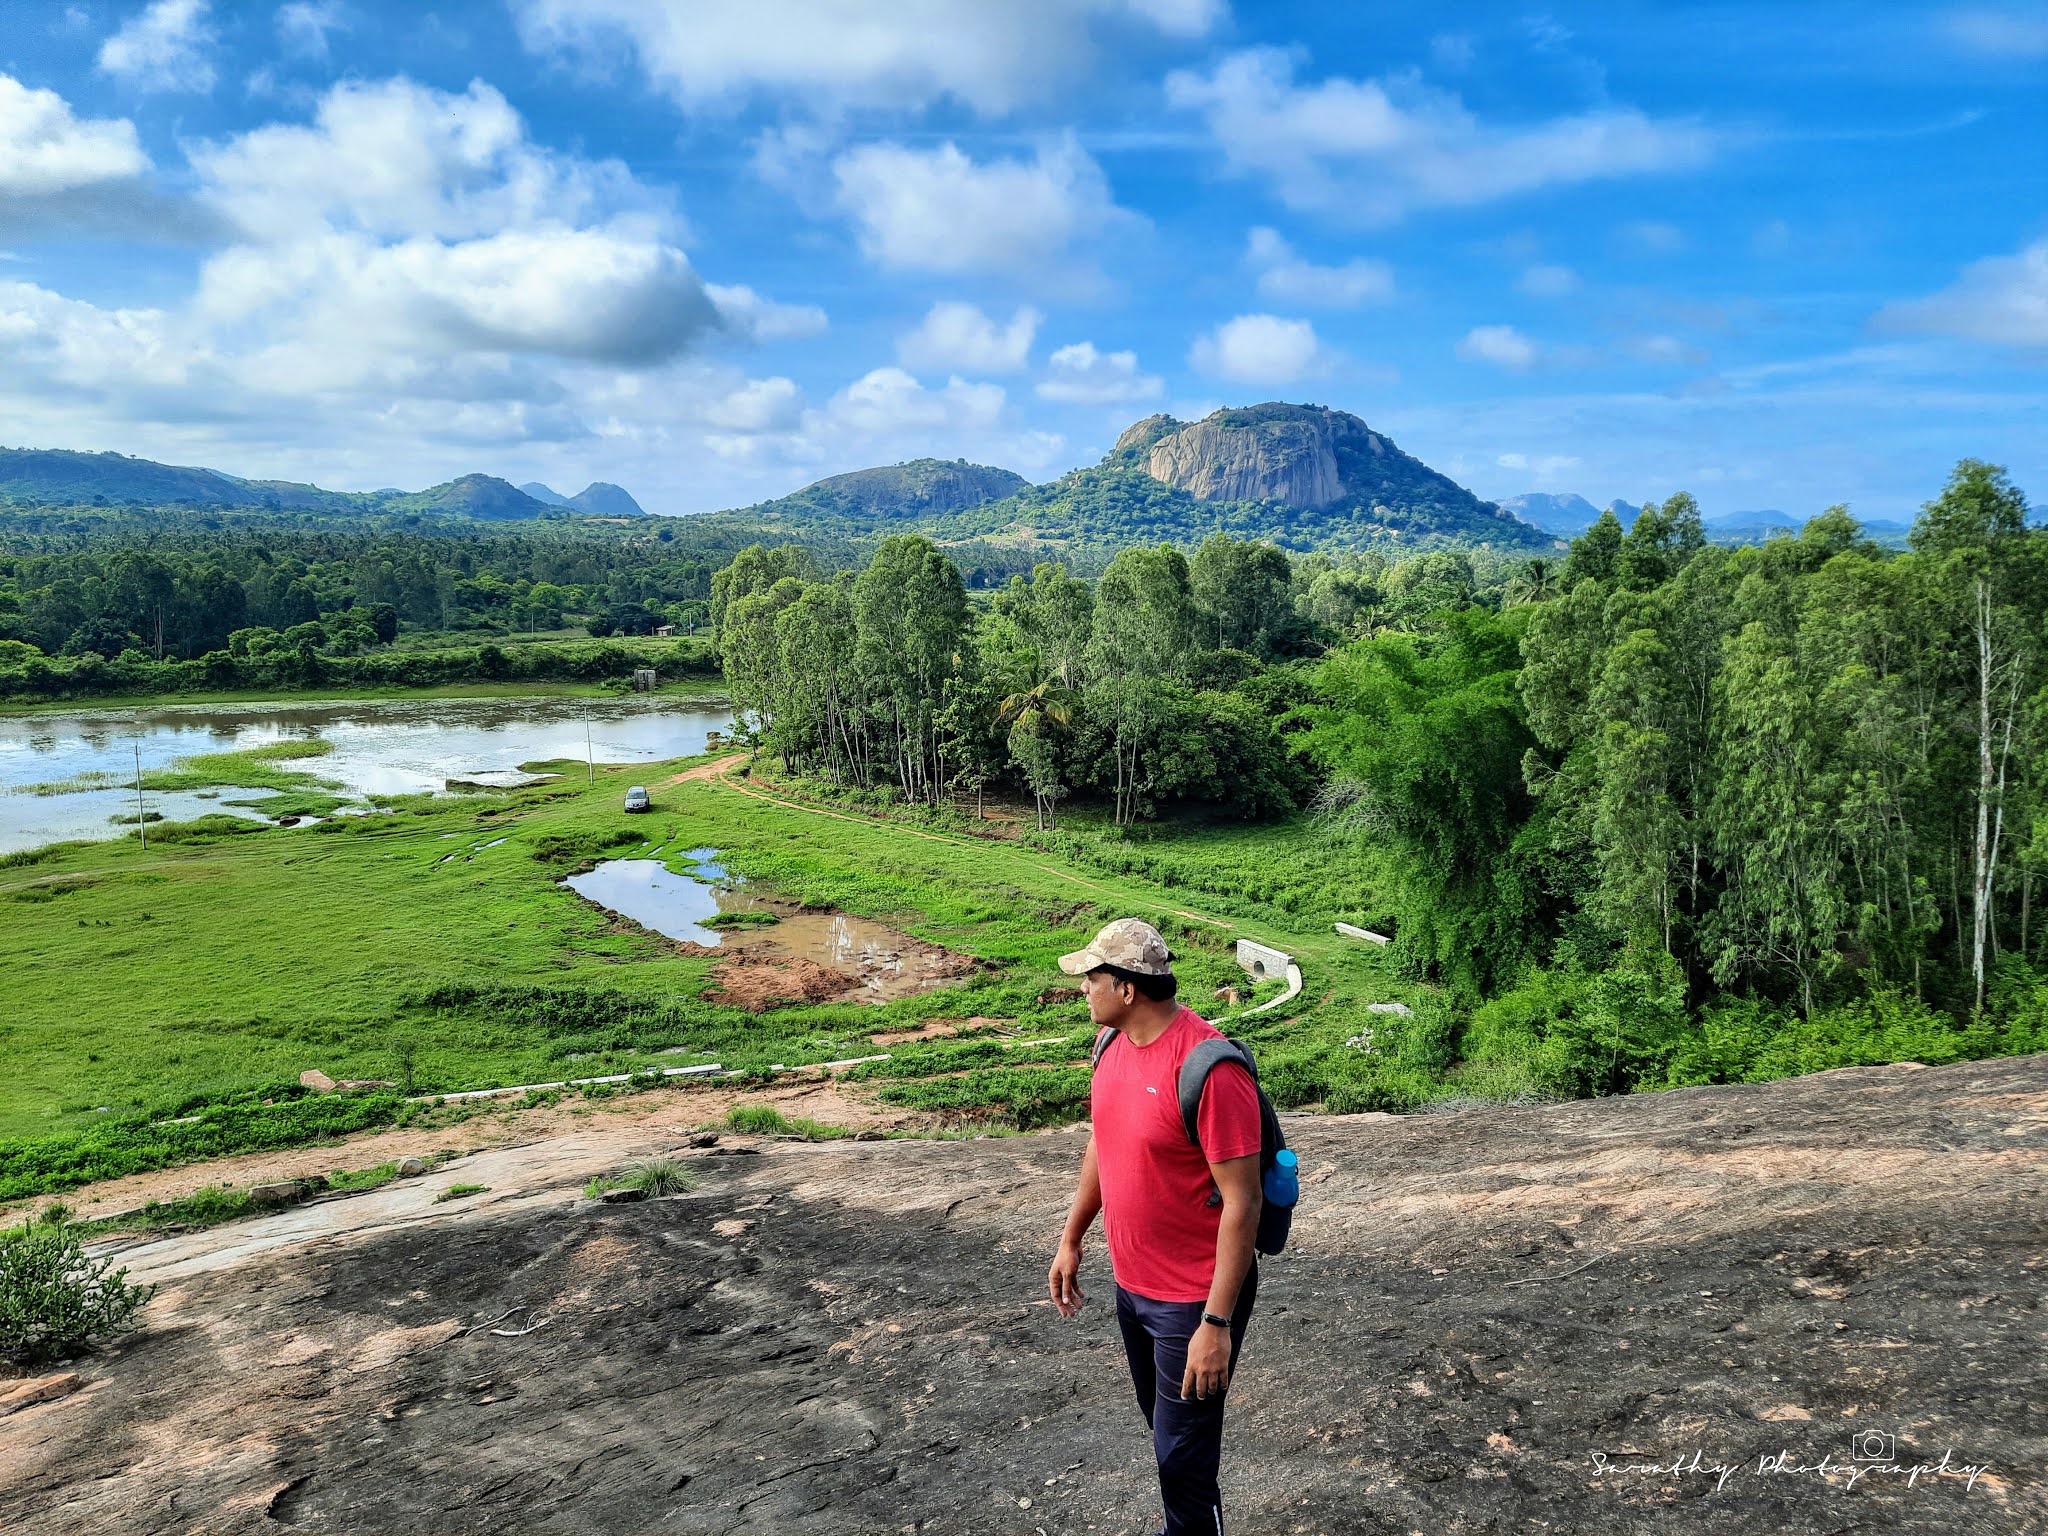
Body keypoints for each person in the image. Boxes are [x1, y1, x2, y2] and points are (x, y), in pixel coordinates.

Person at [1046, 917, 1263, 1536]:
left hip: (1193, 1301)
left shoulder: (1209, 1070)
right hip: (1133, 1288)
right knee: (1166, 1437)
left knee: (1182, 1461)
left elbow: (1242, 1203)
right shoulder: (1110, 1048)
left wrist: (1215, 1324)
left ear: (1128, 988)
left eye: (1092, 978)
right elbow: (1103, 1144)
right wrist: (1071, 1238)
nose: (1083, 989)